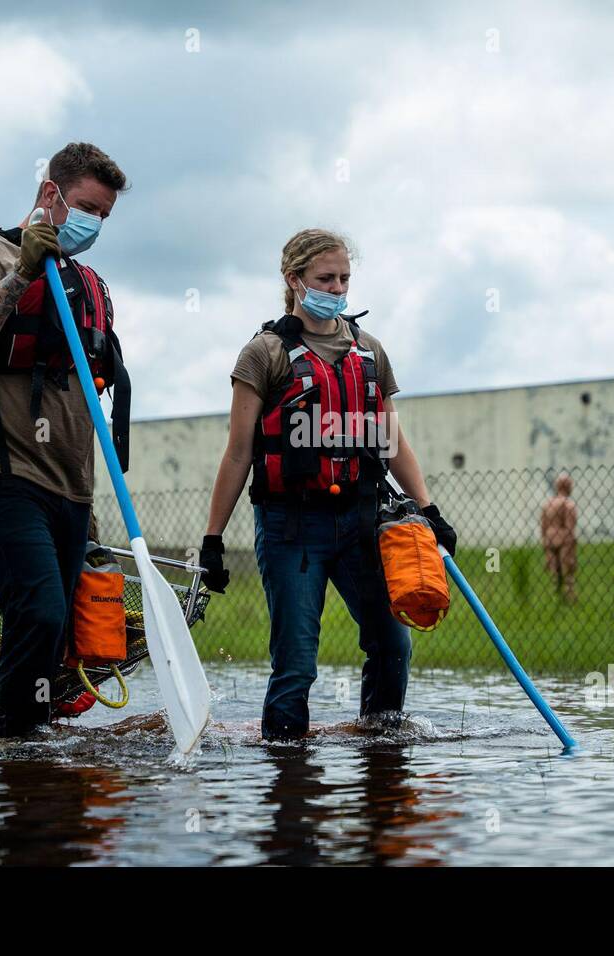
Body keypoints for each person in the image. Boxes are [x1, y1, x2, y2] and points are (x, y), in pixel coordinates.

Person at [199, 228, 457, 741]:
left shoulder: (370, 353)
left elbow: (391, 442)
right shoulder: (264, 355)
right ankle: (288, 777)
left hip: (361, 523)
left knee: (392, 644)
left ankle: (382, 750)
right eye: (324, 278)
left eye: (343, 279)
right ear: (294, 280)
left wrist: (428, 510)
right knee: (297, 664)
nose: (336, 288)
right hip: (291, 526)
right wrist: (212, 539)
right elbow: (238, 452)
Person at [0, 142, 130, 737]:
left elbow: (88, 398)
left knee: (56, 625)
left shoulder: (89, 286)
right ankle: (16, 756)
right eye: (86, 208)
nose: (94, 225)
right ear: (50, 195)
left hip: (69, 485)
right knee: (38, 610)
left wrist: (90, 514)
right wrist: (21, 273)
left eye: (105, 216)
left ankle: (29, 735)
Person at [541, 472, 578, 602]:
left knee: (554, 571)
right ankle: (569, 595)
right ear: (567, 486)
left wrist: (545, 542)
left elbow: (543, 526)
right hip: (564, 540)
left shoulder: (548, 504)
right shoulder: (568, 504)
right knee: (567, 569)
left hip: (550, 539)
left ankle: (555, 596)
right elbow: (570, 527)